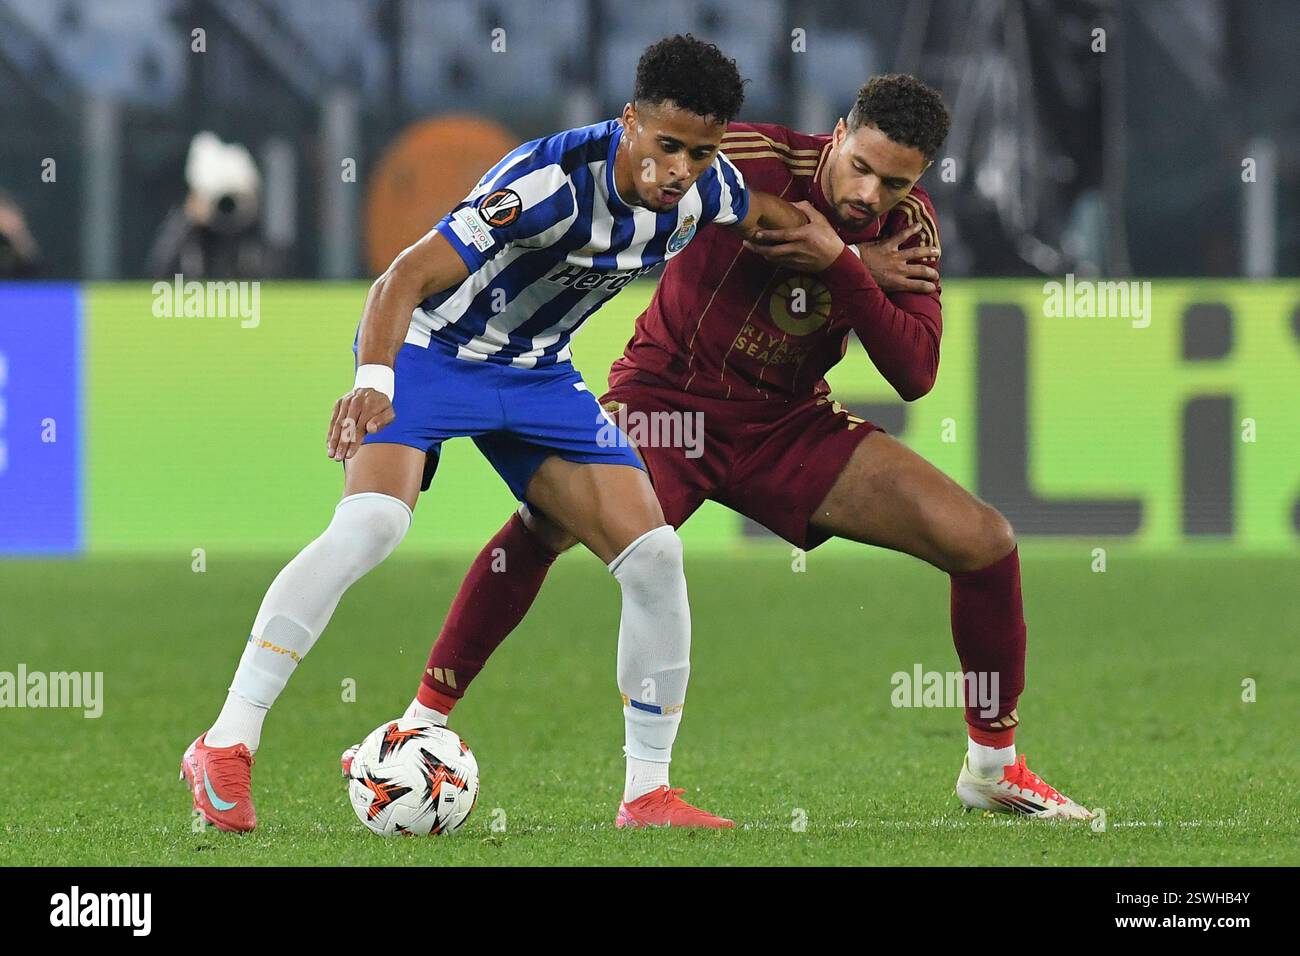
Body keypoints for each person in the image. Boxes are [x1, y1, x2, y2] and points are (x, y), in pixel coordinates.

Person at [398, 74, 1093, 825]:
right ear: (837, 133)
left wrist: (843, 265)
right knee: (544, 527)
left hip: (788, 425)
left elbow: (915, 371)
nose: (871, 194)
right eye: (861, 166)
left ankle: (992, 767)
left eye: (897, 182)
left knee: (985, 541)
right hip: (667, 404)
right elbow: (645, 177)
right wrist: (850, 271)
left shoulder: (909, 228)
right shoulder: (748, 156)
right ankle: (423, 719)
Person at [181, 34, 807, 832]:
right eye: (667, 145)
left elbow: (776, 222)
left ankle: (647, 794)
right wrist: (374, 382)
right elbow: (401, 277)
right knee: (372, 523)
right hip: (431, 353)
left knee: (654, 555)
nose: (679, 169)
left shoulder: (706, 189)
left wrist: (860, 264)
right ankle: (226, 743)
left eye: (701, 151)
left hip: (539, 374)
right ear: (628, 124)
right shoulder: (546, 184)